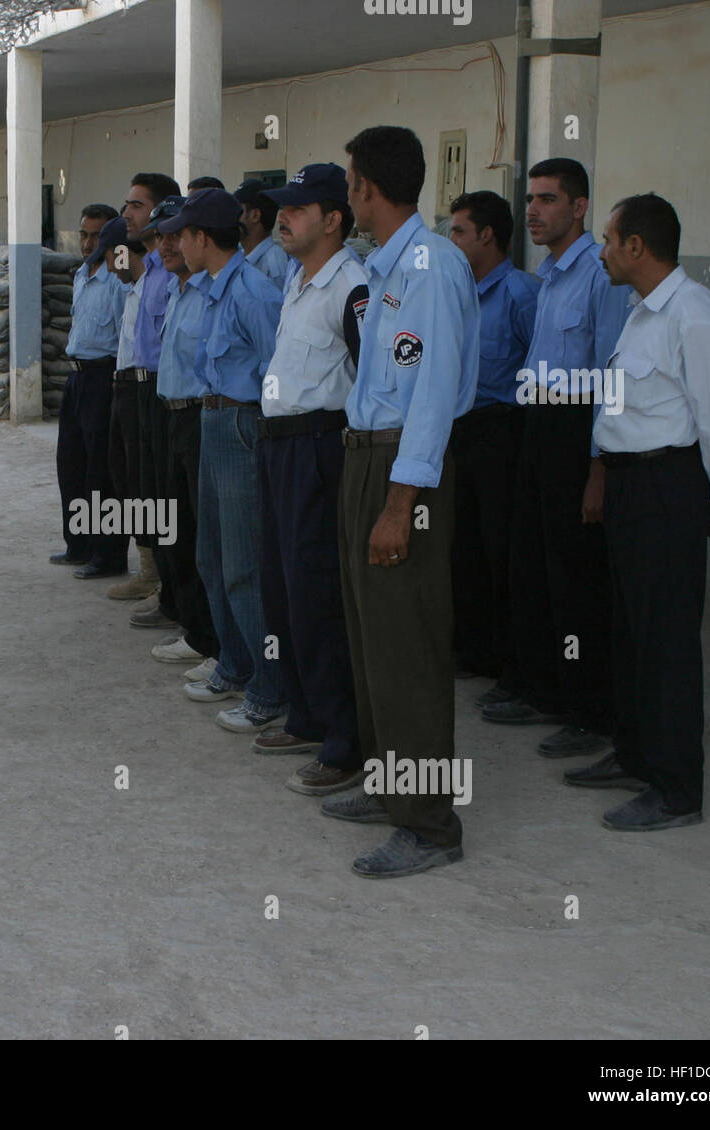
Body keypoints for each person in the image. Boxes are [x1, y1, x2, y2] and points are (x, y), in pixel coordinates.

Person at [322, 126, 479, 878]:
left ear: (366, 191)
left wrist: (398, 502)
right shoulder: (388, 269)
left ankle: (428, 825)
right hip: (368, 459)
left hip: (403, 472)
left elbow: (434, 395)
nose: (348, 192)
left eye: (350, 182)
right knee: (371, 637)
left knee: (408, 648)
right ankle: (391, 786)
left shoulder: (434, 269)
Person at [569, 193, 710, 830]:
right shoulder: (642, 313)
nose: (602, 251)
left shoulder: (694, 316)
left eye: (610, 240)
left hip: (666, 487)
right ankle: (634, 754)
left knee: (666, 641)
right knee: (629, 631)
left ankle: (676, 791)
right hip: (629, 486)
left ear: (637, 247)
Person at [481, 159, 632, 759]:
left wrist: (598, 465)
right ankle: (545, 689)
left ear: (580, 207)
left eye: (548, 199)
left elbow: (611, 378)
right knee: (536, 567)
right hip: (538, 425)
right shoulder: (548, 277)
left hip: (577, 433)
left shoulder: (599, 278)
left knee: (577, 577)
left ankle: (590, 711)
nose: (535, 210)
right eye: (531, 198)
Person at [255, 164, 369, 795]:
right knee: (283, 590)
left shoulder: (351, 287)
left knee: (320, 597)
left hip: (321, 450)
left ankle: (344, 739)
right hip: (280, 450)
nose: (284, 217)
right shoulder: (300, 281)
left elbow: (373, 379)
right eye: (283, 207)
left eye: (298, 209)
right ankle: (304, 714)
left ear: (332, 219)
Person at [158, 188, 285, 732]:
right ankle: (234, 665)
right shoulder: (213, 289)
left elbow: (276, 369)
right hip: (213, 420)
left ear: (202, 238)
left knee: (244, 567)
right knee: (211, 556)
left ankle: (270, 687)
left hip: (241, 423)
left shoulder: (253, 291)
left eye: (182, 234)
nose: (175, 243)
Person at [446, 190, 539, 688]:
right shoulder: (456, 291)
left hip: (504, 430)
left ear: (487, 235)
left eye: (459, 230)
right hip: (461, 429)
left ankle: (512, 663)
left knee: (503, 548)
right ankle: (474, 649)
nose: (451, 239)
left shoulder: (523, 294)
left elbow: (538, 368)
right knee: (464, 545)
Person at [149, 195, 219, 676]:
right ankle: (193, 629)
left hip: (202, 418)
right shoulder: (177, 291)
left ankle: (213, 641)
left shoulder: (213, 292)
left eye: (177, 235)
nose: (167, 245)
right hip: (170, 415)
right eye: (161, 237)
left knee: (202, 535)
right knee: (176, 526)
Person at [114, 173, 182, 602]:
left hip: (165, 391)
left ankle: (171, 587)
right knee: (142, 485)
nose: (127, 214)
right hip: (140, 387)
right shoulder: (150, 271)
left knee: (167, 492)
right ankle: (153, 572)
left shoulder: (174, 273)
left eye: (137, 206)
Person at [52, 204, 129, 576]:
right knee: (71, 466)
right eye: (83, 234)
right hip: (77, 377)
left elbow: (123, 336)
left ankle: (108, 556)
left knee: (102, 472)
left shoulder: (116, 281)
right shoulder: (82, 274)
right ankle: (78, 545)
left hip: (104, 377)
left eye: (96, 235)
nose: (87, 242)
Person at [99, 216, 161, 602]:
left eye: (108, 256)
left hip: (144, 390)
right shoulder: (136, 289)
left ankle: (155, 572)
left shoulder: (157, 286)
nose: (107, 267)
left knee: (144, 482)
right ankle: (147, 565)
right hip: (125, 387)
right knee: (126, 479)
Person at [233, 180, 291, 292]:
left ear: (255, 215)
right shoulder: (240, 255)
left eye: (238, 211)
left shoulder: (274, 265)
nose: (232, 217)